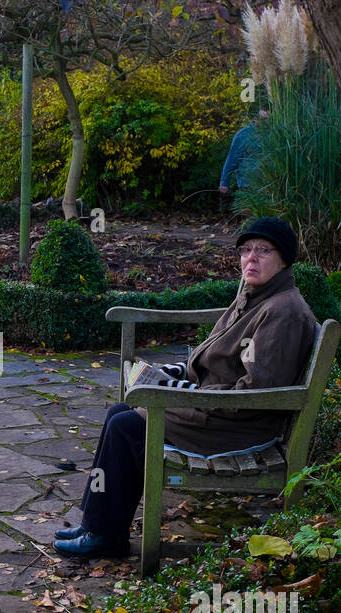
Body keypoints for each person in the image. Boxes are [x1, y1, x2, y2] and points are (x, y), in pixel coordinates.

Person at [54, 216, 317, 559]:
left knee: (125, 425)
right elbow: (218, 357)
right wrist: (173, 374)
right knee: (120, 412)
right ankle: (96, 524)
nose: (250, 259)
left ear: (284, 259)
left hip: (236, 428)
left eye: (263, 251)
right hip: (218, 412)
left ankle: (104, 536)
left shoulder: (282, 312)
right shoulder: (255, 297)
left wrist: (181, 392)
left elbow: (255, 394)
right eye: (246, 250)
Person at [218, 109, 268, 195]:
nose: (267, 123)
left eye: (268, 119)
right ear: (255, 119)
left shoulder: (273, 133)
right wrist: (224, 182)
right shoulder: (243, 135)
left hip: (269, 185)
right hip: (248, 185)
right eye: (264, 120)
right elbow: (231, 159)